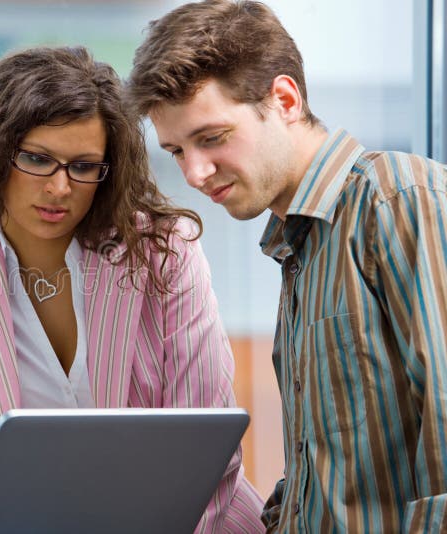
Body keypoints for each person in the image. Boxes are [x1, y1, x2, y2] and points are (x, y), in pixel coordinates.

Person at [128, 0, 447, 532]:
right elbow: (327, 478)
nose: (195, 173)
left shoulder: (397, 199)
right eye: (177, 150)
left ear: (284, 99)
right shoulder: (298, 247)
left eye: (211, 138)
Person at [0, 45, 264, 532]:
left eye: (83, 166)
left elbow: (207, 450)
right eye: (37, 159)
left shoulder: (164, 253)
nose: (60, 188)